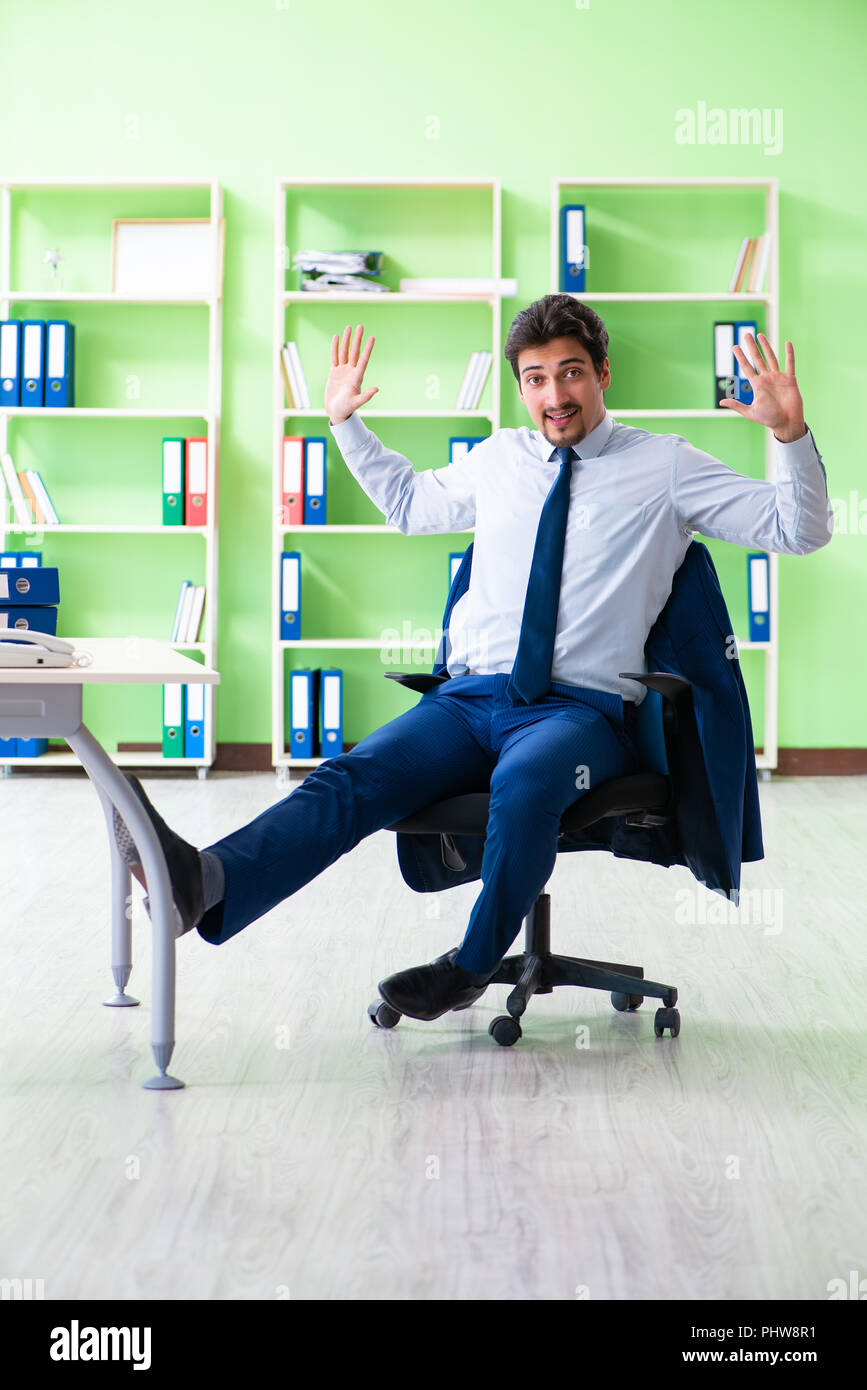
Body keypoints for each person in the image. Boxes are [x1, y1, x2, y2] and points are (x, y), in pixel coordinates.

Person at [113, 295, 832, 1022]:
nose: (555, 396)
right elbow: (408, 506)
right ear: (520, 387)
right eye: (536, 379)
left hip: (579, 710)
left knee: (524, 784)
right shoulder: (497, 460)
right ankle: (200, 882)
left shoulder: (665, 465)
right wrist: (344, 423)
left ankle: (470, 964)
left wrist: (788, 435)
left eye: (571, 373)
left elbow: (796, 530)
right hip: (469, 700)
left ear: (603, 374)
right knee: (354, 776)